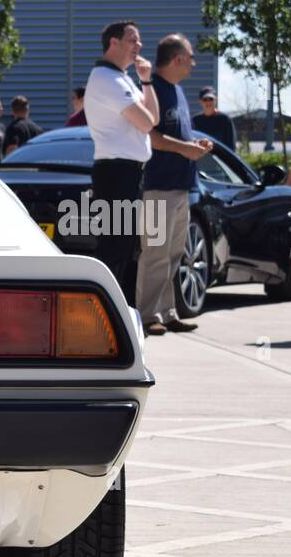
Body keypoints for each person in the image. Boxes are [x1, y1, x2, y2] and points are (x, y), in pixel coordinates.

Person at [137, 34, 212, 336]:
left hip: (181, 187)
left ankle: (167, 313)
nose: (194, 63)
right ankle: (145, 315)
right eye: (190, 57)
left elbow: (174, 136)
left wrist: (195, 144)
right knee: (154, 253)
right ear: (177, 58)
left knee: (172, 255)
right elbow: (149, 135)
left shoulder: (178, 91)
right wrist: (185, 149)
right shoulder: (152, 89)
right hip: (157, 186)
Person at [84, 19, 158, 306]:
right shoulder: (106, 79)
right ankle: (98, 312)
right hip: (116, 171)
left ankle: (120, 312)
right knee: (115, 247)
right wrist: (147, 110)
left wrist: (147, 81)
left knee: (127, 247)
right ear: (113, 43)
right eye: (132, 40)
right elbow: (148, 121)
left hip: (129, 171)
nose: (138, 46)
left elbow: (154, 119)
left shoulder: (123, 77)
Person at [191, 87, 236, 152]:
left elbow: (231, 146)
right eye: (205, 99)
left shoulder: (225, 120)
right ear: (200, 102)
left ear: (215, 100)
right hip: (201, 159)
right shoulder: (194, 120)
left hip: (220, 159)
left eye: (211, 99)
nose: (208, 102)